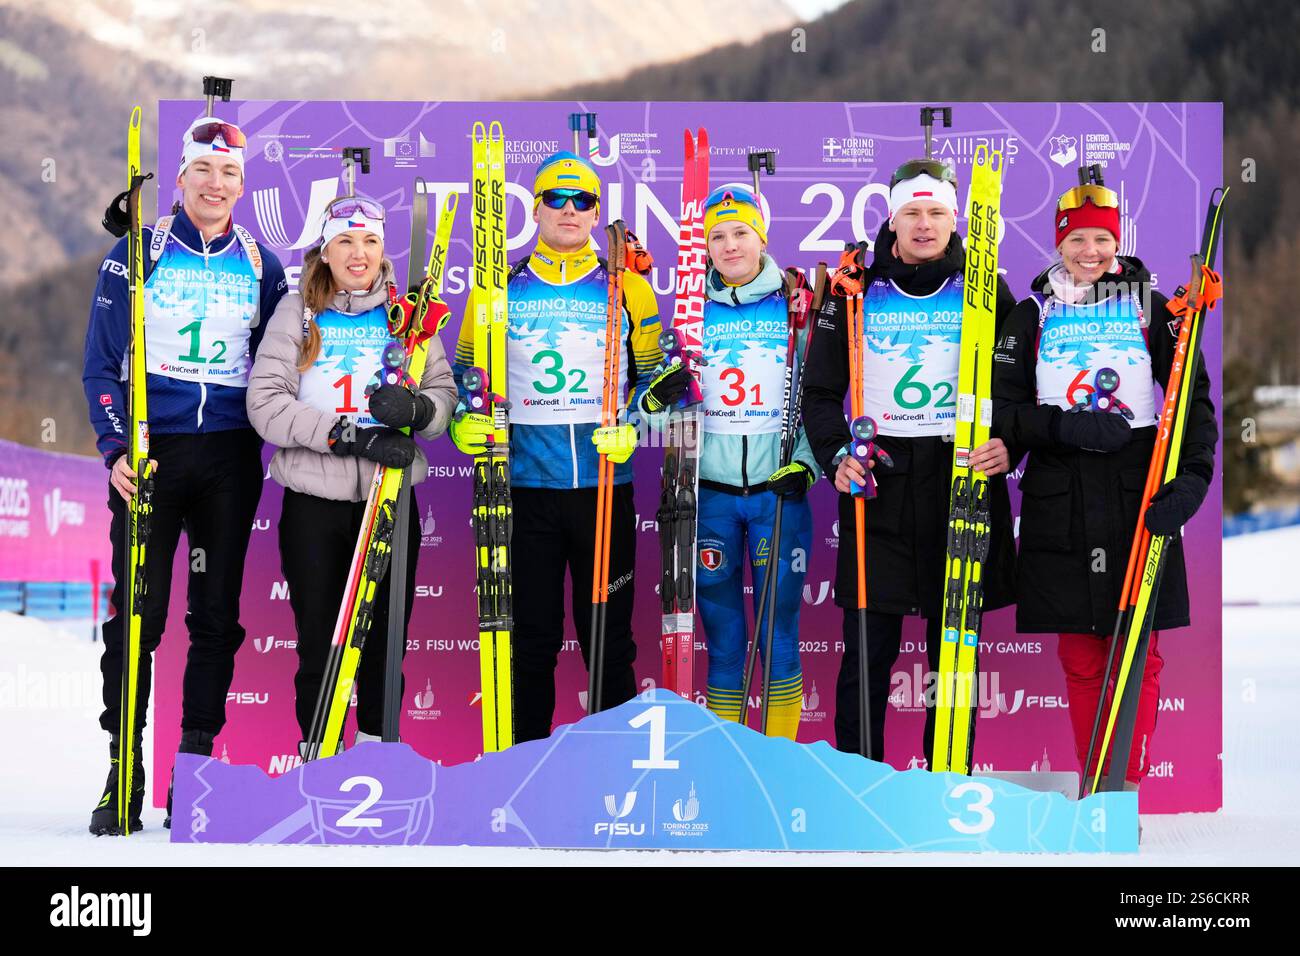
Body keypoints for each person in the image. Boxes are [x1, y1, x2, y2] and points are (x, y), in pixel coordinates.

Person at [83, 112, 288, 833]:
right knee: (136, 617)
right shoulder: (137, 254)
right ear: (179, 178)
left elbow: (284, 360)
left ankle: (194, 766)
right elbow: (100, 363)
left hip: (229, 458)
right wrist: (114, 448)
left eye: (229, 173)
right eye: (203, 169)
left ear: (242, 185)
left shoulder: (263, 265)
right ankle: (122, 770)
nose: (215, 183)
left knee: (215, 619)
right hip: (152, 455)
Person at [992, 175, 1217, 792]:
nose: (1089, 252)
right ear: (1059, 242)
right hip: (1061, 497)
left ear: (1116, 242)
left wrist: (1192, 481)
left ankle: (1126, 788)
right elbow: (1002, 413)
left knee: (1137, 655)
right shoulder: (1029, 314)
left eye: (1101, 239)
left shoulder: (1152, 309)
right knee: (1082, 657)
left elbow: (1193, 402)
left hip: (1136, 494)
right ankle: (1096, 785)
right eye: (1077, 239)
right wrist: (1068, 428)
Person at [801, 156, 1017, 762]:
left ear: (956, 220)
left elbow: (1019, 388)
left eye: (937, 213)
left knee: (954, 657)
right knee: (867, 651)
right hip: (880, 485)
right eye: (912, 213)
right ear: (891, 220)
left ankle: (943, 790)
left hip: (961, 482)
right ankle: (856, 787)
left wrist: (1012, 443)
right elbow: (818, 392)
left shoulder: (984, 288)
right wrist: (837, 453)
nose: (924, 225)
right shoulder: (856, 289)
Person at [449, 151, 665, 743]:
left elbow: (655, 380)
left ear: (597, 214)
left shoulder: (630, 290)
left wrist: (637, 421)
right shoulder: (499, 287)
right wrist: (463, 423)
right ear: (536, 208)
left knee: (608, 641)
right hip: (524, 489)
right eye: (556, 199)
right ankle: (525, 768)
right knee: (531, 641)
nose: (570, 211)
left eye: (584, 201)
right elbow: (466, 376)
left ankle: (608, 769)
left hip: (602, 490)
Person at [246, 194, 456, 750]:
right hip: (315, 502)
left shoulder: (410, 314)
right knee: (321, 641)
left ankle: (377, 754)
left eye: (369, 241)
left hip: (389, 498)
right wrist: (345, 434)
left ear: (384, 247)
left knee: (386, 640)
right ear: (325, 248)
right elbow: (265, 403)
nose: (358, 254)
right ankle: (319, 757)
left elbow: (444, 401)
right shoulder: (298, 310)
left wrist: (417, 411)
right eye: (345, 241)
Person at [639, 186, 818, 738]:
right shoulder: (690, 317)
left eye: (741, 232)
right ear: (704, 248)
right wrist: (653, 403)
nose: (730, 245)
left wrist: (806, 465)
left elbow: (821, 396)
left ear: (762, 237)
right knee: (722, 639)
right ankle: (728, 760)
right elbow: (652, 419)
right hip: (709, 495)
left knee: (777, 634)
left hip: (776, 494)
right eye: (717, 236)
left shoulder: (796, 306)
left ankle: (780, 759)